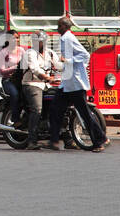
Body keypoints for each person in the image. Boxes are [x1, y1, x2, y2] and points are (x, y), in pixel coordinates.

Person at [45, 16, 108, 152]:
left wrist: (67, 60)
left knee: (84, 114)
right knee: (55, 110)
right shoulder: (65, 38)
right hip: (67, 84)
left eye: (59, 25)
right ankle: (54, 141)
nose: (57, 28)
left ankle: (99, 141)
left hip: (75, 84)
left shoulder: (68, 38)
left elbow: (85, 55)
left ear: (65, 27)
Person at [20, 32, 56, 150]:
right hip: (32, 84)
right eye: (39, 41)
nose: (42, 43)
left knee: (61, 104)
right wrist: (46, 77)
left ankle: (66, 138)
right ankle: (32, 140)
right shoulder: (29, 53)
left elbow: (59, 65)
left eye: (43, 41)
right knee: (37, 110)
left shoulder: (49, 53)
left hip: (47, 85)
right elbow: (35, 69)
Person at [0, 35, 24, 125]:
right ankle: (15, 119)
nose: (16, 39)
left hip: (20, 79)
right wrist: (15, 68)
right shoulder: (3, 53)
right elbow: (2, 71)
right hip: (8, 80)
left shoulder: (21, 50)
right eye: (13, 38)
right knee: (15, 95)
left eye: (17, 37)